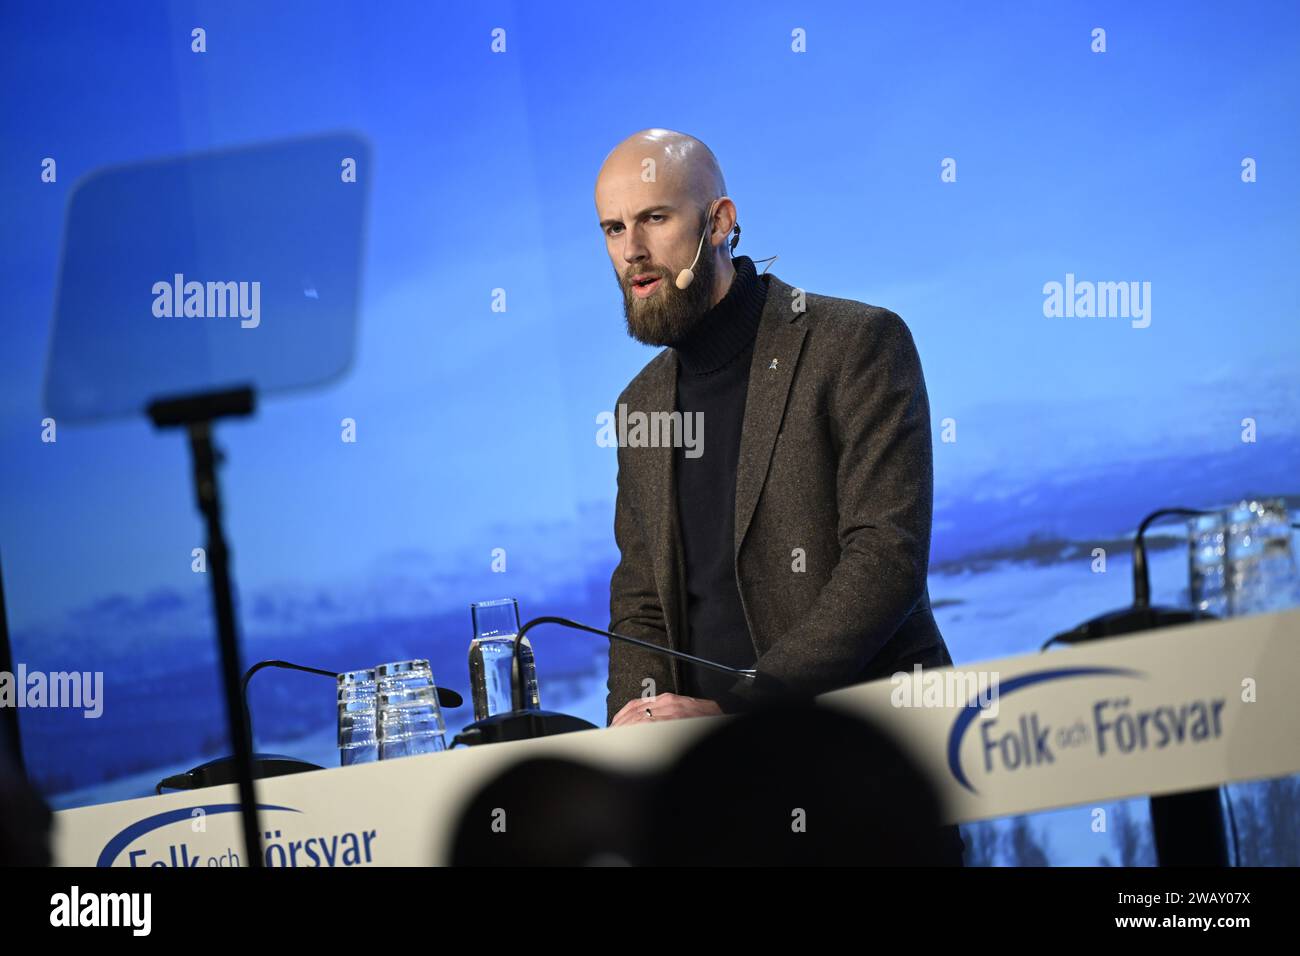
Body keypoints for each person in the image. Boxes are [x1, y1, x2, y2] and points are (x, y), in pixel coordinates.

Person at [596, 128, 951, 727]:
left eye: (654, 218)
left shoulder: (855, 343)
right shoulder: (640, 408)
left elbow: (885, 558)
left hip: (868, 757)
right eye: (613, 228)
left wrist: (739, 714)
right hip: (711, 784)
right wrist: (637, 741)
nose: (632, 249)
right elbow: (642, 606)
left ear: (719, 223)